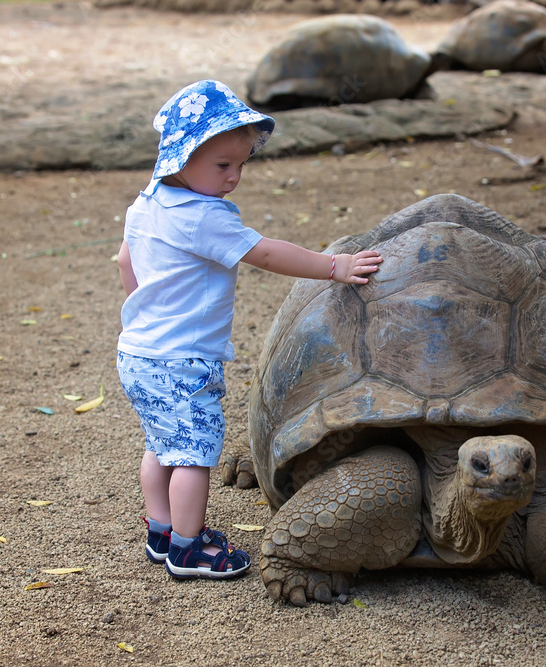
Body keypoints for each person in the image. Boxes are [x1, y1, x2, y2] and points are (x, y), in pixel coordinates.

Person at [115, 80, 382, 581]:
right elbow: (263, 252)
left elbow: (127, 262)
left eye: (241, 164)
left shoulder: (144, 205)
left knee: (161, 444)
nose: (235, 176)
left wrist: (143, 309)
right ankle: (188, 550)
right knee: (193, 456)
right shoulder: (202, 218)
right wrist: (334, 266)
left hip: (138, 352)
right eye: (222, 165)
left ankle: (161, 531)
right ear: (180, 156)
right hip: (181, 358)